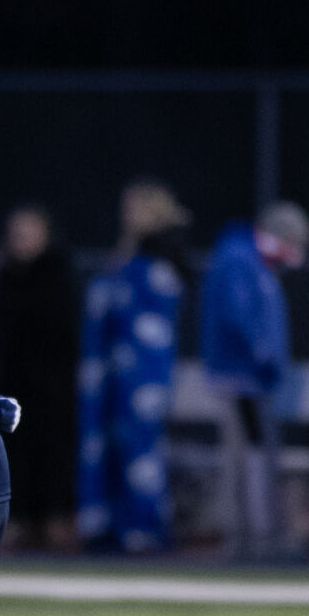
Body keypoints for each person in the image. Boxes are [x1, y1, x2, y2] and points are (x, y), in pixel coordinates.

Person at [76, 178, 191, 552]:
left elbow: (159, 304)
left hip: (143, 370)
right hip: (116, 369)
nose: (127, 215)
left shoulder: (164, 251)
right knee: (112, 442)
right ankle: (113, 523)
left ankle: (144, 525)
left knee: (140, 444)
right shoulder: (128, 253)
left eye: (134, 208)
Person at [199, 201, 309, 560]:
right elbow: (239, 316)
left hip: (252, 379)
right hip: (242, 379)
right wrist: (263, 355)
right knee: (247, 460)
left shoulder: (252, 261)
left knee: (255, 458)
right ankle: (249, 539)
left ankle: (257, 536)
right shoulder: (240, 259)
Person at [0, 205, 79, 551]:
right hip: (12, 383)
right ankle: (16, 520)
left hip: (53, 387)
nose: (21, 240)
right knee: (13, 454)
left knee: (53, 453)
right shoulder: (2, 275)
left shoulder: (59, 274)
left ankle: (56, 519)